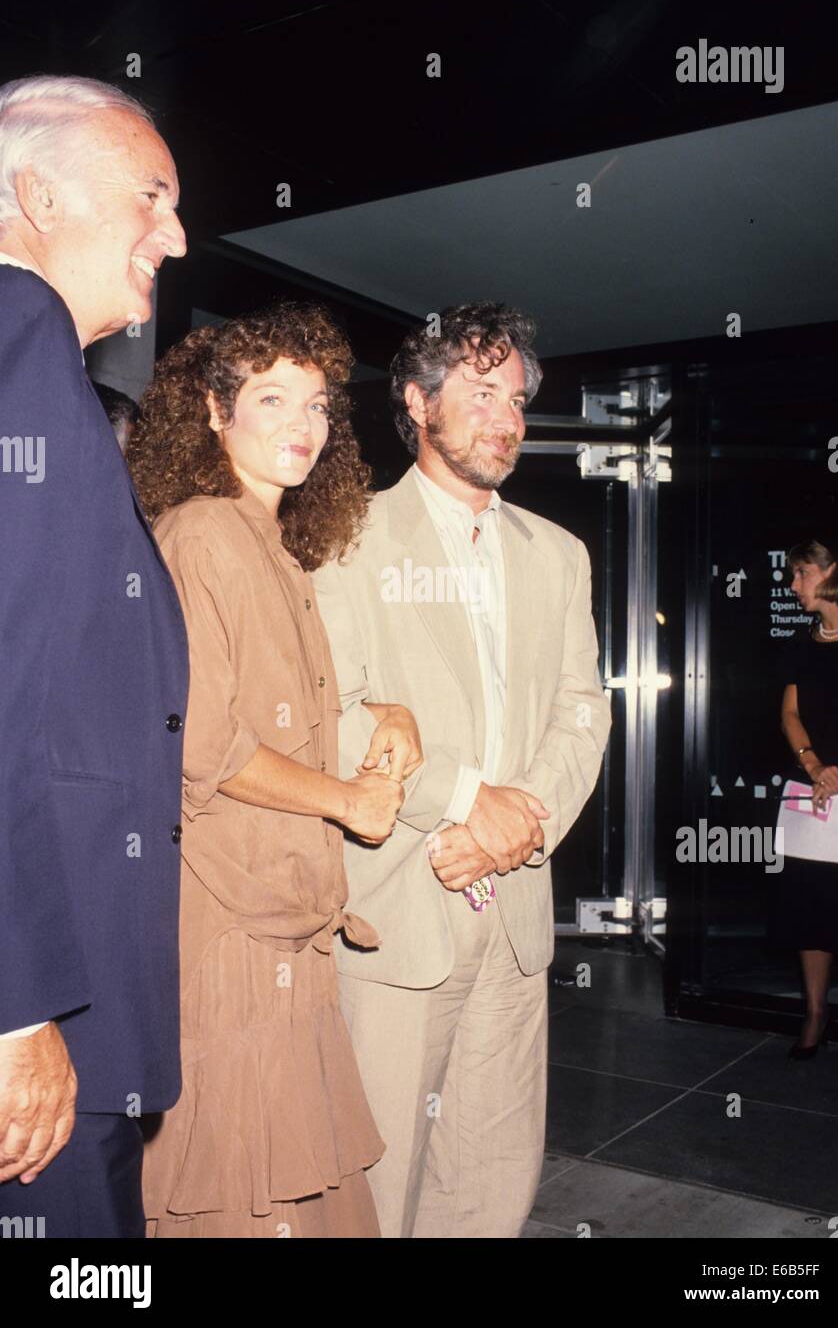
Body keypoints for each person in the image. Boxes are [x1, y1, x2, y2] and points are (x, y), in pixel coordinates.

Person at [312, 301, 611, 1237]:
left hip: (514, 914)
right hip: (398, 907)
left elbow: (582, 708)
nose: (507, 420)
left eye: (517, 400)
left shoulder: (559, 555)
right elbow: (331, 713)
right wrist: (463, 803)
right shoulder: (345, 536)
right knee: (378, 1175)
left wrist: (517, 825)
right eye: (482, 394)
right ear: (417, 401)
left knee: (490, 1176)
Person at [127, 302, 422, 1237]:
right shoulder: (203, 532)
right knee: (238, 1195)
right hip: (230, 923)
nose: (303, 424)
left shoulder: (273, 543)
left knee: (298, 1190)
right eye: (272, 398)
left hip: (284, 913)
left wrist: (384, 713)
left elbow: (281, 717)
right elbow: (198, 743)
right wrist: (349, 802)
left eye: (319, 405)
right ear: (214, 413)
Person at [0, 73, 187, 1237]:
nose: (175, 233)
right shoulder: (22, 340)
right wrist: (16, 1010)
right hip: (44, 1007)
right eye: (153, 195)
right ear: (34, 193)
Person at [775, 538, 838, 1070]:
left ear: (832, 573)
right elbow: (789, 714)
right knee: (806, 903)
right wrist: (815, 768)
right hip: (809, 787)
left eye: (802, 573)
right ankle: (814, 1015)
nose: (794, 585)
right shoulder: (799, 640)